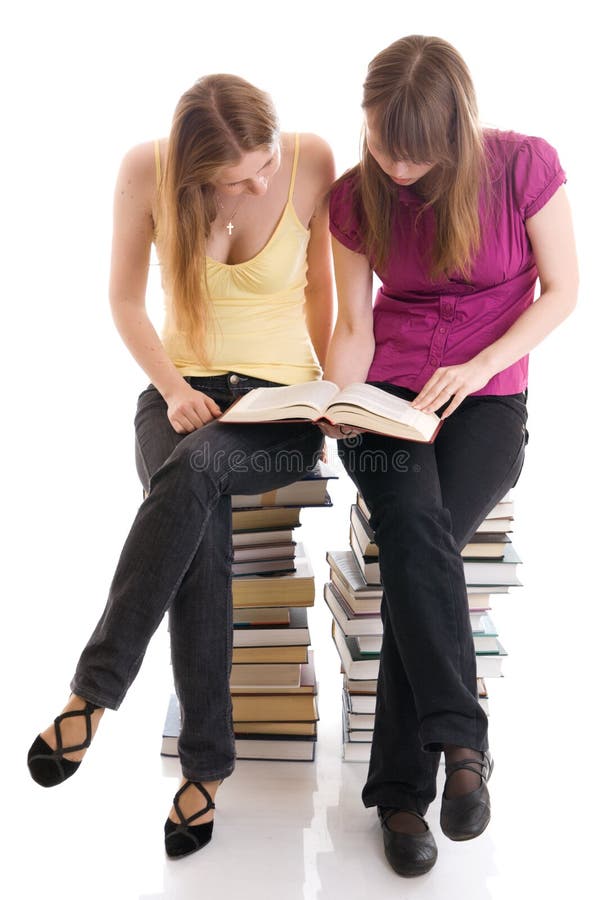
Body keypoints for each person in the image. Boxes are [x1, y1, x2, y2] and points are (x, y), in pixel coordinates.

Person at [27, 73, 334, 860]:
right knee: (200, 535)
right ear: (198, 170)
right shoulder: (143, 171)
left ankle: (90, 697)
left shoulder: (310, 161)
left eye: (265, 164)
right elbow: (125, 300)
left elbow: (323, 303)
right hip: (180, 400)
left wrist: (328, 398)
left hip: (278, 413)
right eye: (241, 177)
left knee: (193, 482)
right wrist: (171, 390)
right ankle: (208, 771)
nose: (263, 181)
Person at [321, 35, 577, 878]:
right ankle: (463, 747)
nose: (396, 166)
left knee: (417, 552)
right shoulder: (356, 198)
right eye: (380, 145)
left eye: (414, 151)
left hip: (488, 395)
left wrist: (477, 366)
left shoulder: (524, 168)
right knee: (418, 531)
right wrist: (337, 396)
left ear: (457, 129)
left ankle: (399, 794)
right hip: (388, 393)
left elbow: (565, 289)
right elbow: (355, 325)